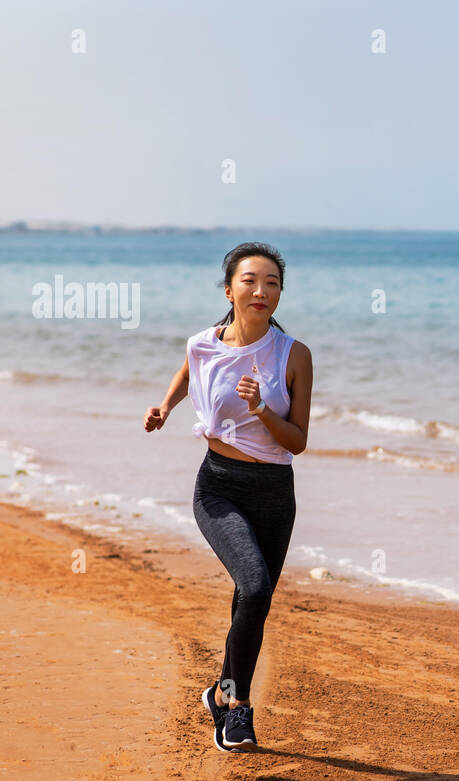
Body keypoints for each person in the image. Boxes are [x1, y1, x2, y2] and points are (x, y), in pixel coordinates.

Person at [143, 242, 313, 752]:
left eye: (273, 283)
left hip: (275, 494)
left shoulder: (294, 355)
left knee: (251, 599)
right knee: (256, 588)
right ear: (229, 289)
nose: (261, 291)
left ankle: (221, 692)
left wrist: (262, 409)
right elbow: (188, 368)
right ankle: (238, 710)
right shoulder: (204, 343)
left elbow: (298, 442)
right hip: (218, 487)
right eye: (250, 280)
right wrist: (166, 405)